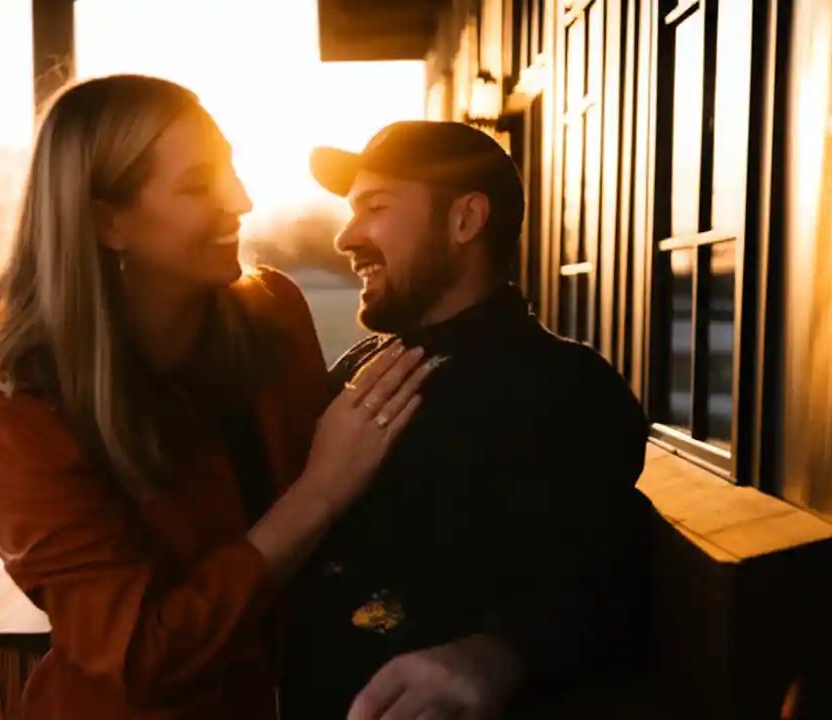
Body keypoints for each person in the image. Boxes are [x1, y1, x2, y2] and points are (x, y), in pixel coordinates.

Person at [0, 75, 435, 719]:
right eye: (196, 184)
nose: (240, 199)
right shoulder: (22, 414)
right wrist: (320, 490)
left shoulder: (273, 313)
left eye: (230, 170)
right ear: (106, 220)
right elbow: (140, 660)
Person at [279, 121, 655, 719]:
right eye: (351, 212)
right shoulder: (361, 363)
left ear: (465, 221)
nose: (346, 237)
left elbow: (604, 564)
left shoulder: (560, 385)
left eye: (375, 207)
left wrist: (498, 652)